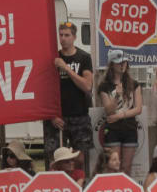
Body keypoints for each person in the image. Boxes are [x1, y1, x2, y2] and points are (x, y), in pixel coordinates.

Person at [43, 21, 94, 175]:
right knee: (54, 158)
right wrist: (51, 115)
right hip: (57, 117)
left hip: (79, 115)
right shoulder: (53, 58)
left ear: (74, 37)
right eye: (61, 35)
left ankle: (80, 186)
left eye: (67, 35)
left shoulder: (84, 57)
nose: (63, 38)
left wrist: (66, 68)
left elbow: (87, 86)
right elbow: (44, 89)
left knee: (79, 159)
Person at [97, 49, 143, 176]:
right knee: (113, 167)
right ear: (112, 64)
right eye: (119, 62)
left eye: (124, 62)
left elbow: (138, 109)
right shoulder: (104, 86)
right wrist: (117, 95)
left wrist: (120, 115)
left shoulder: (134, 84)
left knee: (126, 168)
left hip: (130, 128)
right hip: (112, 130)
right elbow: (108, 109)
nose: (122, 65)